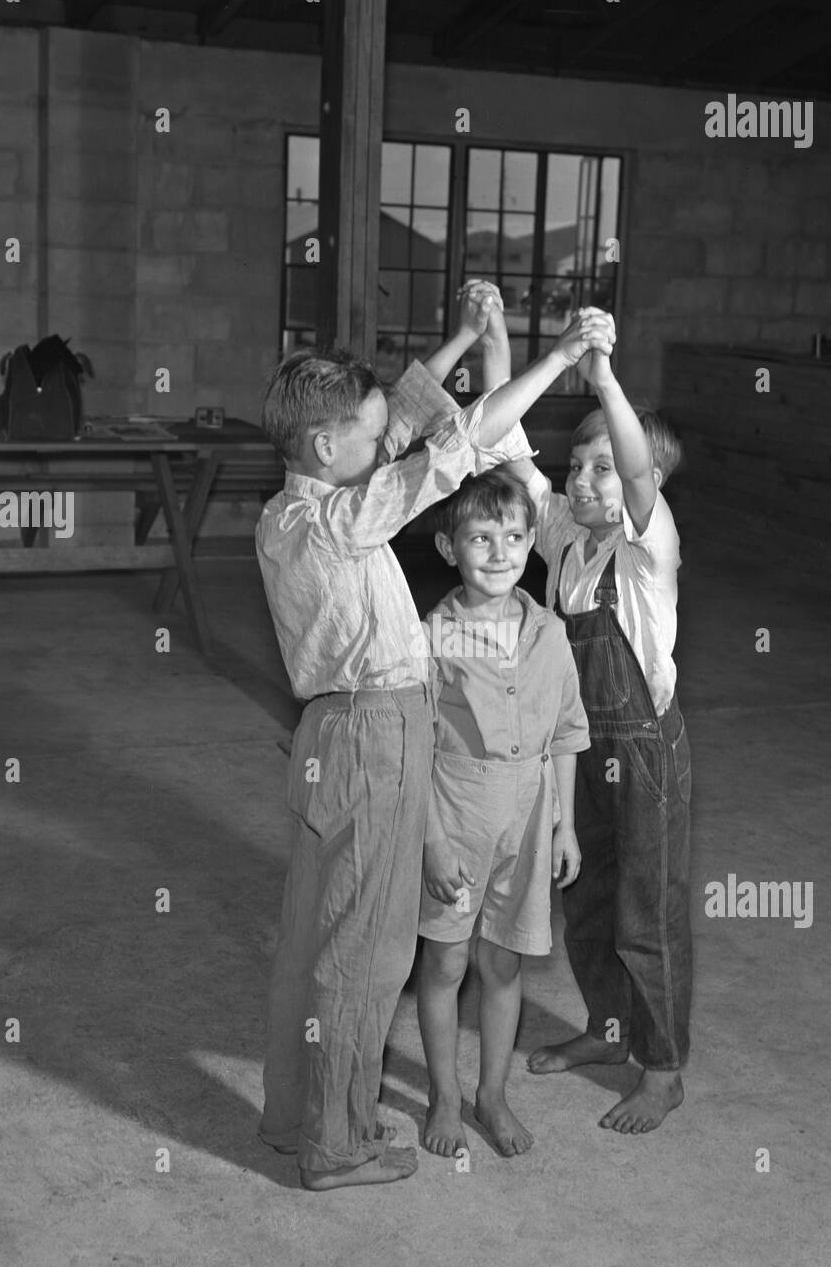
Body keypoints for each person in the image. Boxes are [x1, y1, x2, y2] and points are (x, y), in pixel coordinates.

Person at [255, 292, 613, 1189]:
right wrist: (557, 358)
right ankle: (337, 1145)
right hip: (374, 733)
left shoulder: (290, 511)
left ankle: (301, 1110)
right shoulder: (342, 522)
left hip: (329, 735)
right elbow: (447, 450)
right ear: (326, 449)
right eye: (370, 445)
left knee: (313, 934)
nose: (387, 451)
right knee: (367, 954)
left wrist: (457, 331)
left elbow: (405, 421)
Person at [519, 310, 693, 1135]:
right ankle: (606, 1028)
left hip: (645, 750)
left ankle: (660, 1070)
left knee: (644, 908)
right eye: (575, 466)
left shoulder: (645, 547)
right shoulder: (564, 546)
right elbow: (504, 453)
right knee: (584, 895)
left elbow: (633, 473)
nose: (581, 481)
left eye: (601, 469)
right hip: (580, 750)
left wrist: (606, 378)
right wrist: (498, 340)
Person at [416, 467, 590, 1159]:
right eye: (479, 538)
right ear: (446, 546)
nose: (498, 552)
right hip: (455, 811)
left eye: (513, 537)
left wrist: (565, 823)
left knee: (504, 964)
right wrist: (430, 842)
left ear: (530, 545)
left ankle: (491, 1094)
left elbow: (569, 731)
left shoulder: (547, 630)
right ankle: (444, 1095)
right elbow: (415, 745)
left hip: (529, 811)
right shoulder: (432, 635)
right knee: (445, 961)